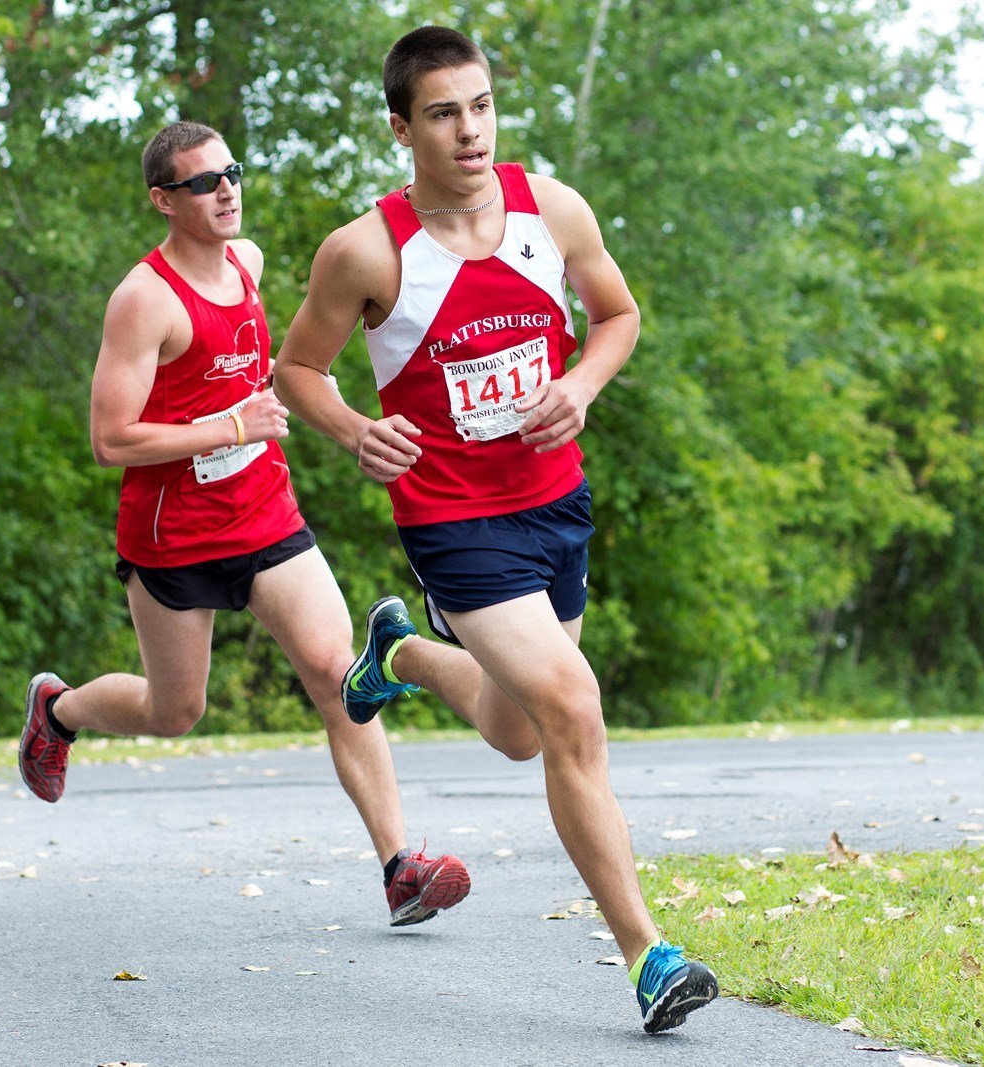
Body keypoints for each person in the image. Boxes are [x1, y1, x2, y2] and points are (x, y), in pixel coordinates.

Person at [272, 28, 718, 1033]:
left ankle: (399, 654)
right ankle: (649, 954)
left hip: (554, 502)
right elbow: (296, 369)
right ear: (402, 128)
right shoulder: (366, 251)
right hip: (453, 519)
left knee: (519, 731)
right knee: (572, 704)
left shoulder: (551, 210)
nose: (469, 130)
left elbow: (617, 316)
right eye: (443, 113)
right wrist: (354, 429)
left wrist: (580, 384)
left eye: (480, 106)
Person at [16, 120, 469, 929]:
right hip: (174, 534)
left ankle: (401, 866)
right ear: (164, 200)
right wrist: (231, 426)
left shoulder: (248, 262)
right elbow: (111, 439)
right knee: (175, 710)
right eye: (203, 182)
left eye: (232, 172)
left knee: (338, 675)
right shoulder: (144, 300)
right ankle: (59, 711)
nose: (226, 190)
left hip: (264, 512)